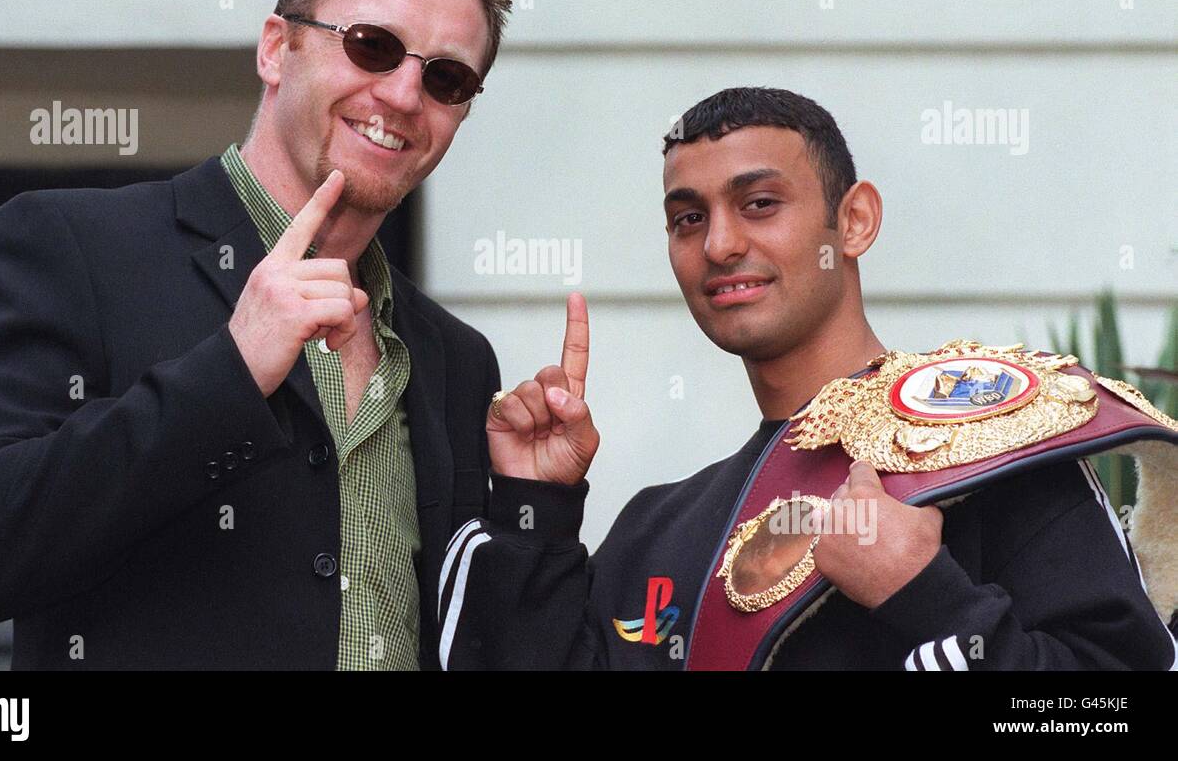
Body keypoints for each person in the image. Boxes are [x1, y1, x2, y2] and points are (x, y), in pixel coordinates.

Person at [0, 0, 513, 670]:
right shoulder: (73, 248)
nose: (401, 94)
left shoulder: (456, 358)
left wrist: (540, 509)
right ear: (275, 48)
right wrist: (228, 373)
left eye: (446, 77)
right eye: (372, 46)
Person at [437, 87, 1178, 670]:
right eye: (688, 219)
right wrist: (537, 505)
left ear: (854, 221)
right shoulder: (650, 531)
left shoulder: (989, 462)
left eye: (759, 204)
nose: (721, 244)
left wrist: (927, 598)